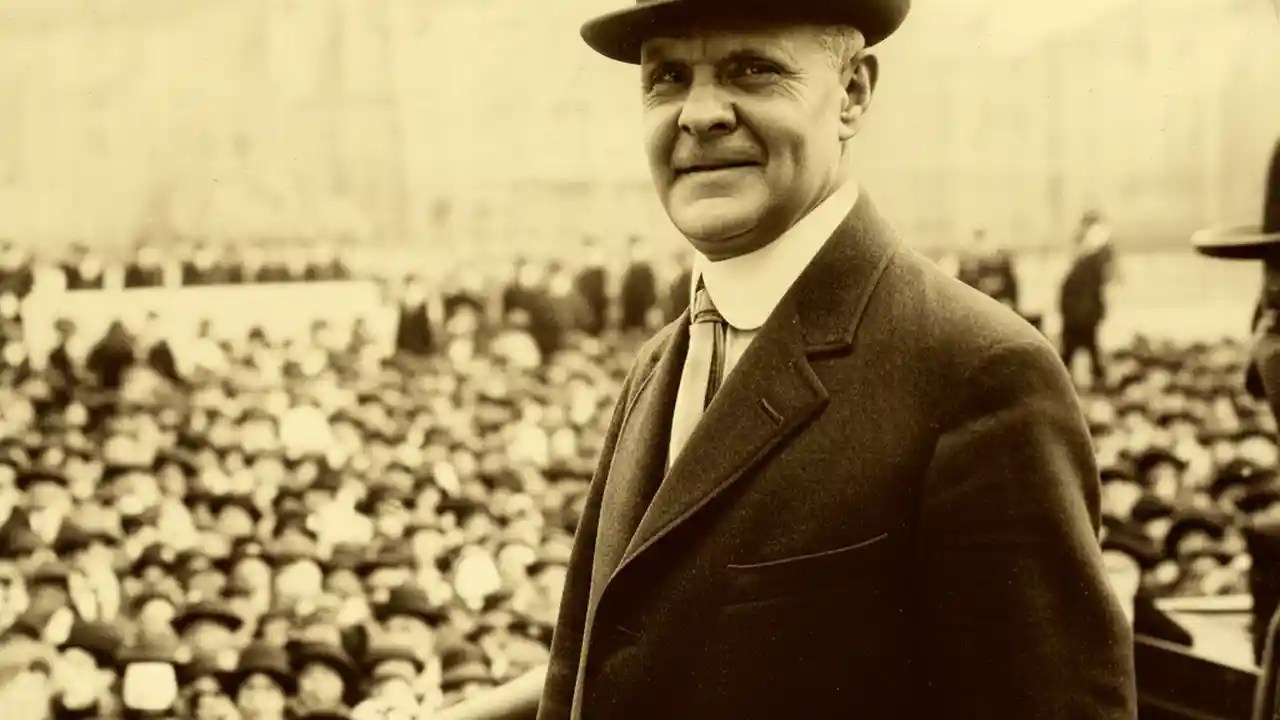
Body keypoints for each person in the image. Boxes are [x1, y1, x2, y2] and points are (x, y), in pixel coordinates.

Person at [440, 1, 1135, 719]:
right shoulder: (657, 364)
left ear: (853, 94)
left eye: (753, 69)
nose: (699, 113)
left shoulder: (977, 370)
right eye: (668, 77)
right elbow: (580, 674)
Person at [1059, 210, 1116, 387]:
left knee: (1074, 348)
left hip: (1082, 310)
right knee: (1084, 347)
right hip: (1082, 309)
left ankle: (1066, 381)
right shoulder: (1094, 249)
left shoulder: (1094, 248)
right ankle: (1096, 379)